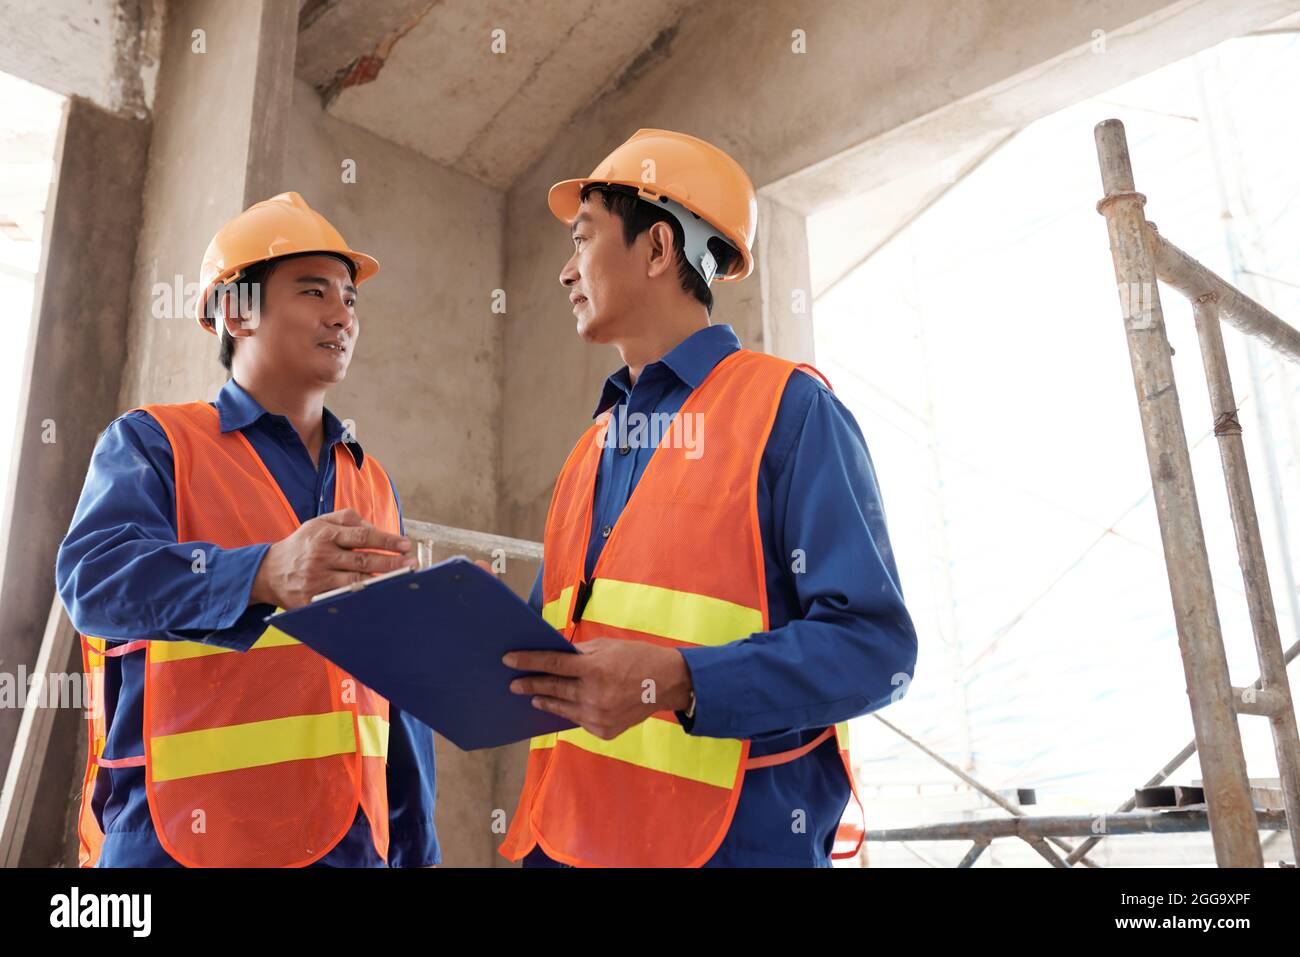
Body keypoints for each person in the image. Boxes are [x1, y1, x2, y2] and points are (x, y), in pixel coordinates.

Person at [498, 129, 919, 868]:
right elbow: (551, 650)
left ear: (658, 249)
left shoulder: (790, 411)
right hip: (565, 844)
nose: (566, 272)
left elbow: (876, 649)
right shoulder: (589, 451)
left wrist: (679, 681)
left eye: (584, 238)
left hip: (731, 848)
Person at [57, 192, 439, 867]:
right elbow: (93, 578)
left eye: (351, 299)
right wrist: (261, 574)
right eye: (314, 291)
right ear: (238, 309)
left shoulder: (373, 483)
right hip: (185, 842)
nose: (341, 315)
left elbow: (398, 691)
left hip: (351, 848)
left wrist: (417, 852)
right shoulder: (157, 443)